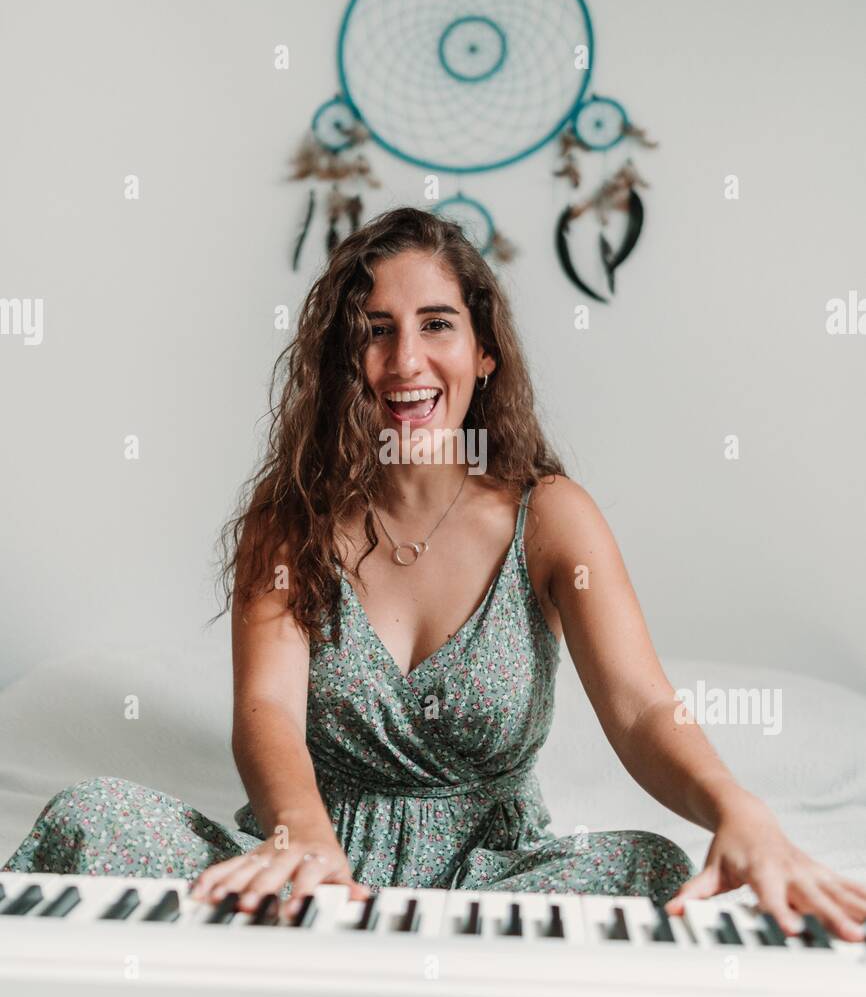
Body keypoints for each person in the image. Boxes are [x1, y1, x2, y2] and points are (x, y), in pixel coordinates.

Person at [5, 208, 865, 942]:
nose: (405, 361)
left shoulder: (551, 516)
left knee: (646, 867)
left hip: (498, 877)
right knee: (96, 816)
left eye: (437, 324)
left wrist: (734, 807)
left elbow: (640, 707)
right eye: (375, 331)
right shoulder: (289, 519)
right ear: (345, 360)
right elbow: (266, 709)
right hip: (310, 861)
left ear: (485, 351)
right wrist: (300, 833)